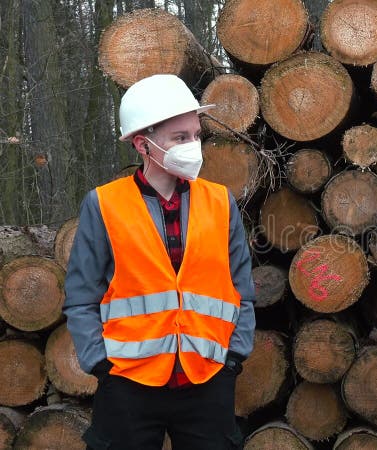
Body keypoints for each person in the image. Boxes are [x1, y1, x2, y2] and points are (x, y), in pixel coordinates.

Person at [63, 74, 255, 450]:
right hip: (128, 386)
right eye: (180, 138)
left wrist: (233, 358)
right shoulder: (103, 205)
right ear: (143, 144)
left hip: (207, 382)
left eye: (196, 135)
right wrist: (102, 367)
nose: (193, 147)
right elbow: (81, 297)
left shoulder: (221, 202)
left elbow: (241, 289)